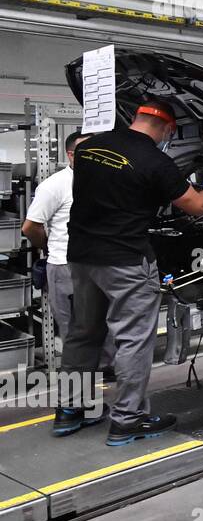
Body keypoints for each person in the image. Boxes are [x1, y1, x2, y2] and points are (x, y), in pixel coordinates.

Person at [56, 98, 203, 445]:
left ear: (136, 117)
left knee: (83, 333)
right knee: (134, 340)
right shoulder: (155, 160)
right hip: (124, 260)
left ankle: (70, 409)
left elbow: (111, 187)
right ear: (169, 129)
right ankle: (128, 419)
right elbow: (198, 206)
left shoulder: (89, 148)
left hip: (80, 255)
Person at [21, 131, 118, 378]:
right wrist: (49, 247)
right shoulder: (54, 185)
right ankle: (78, 387)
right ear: (71, 154)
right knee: (75, 329)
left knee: (105, 323)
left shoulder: (104, 181)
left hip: (99, 264)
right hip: (65, 266)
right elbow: (30, 227)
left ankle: (104, 370)